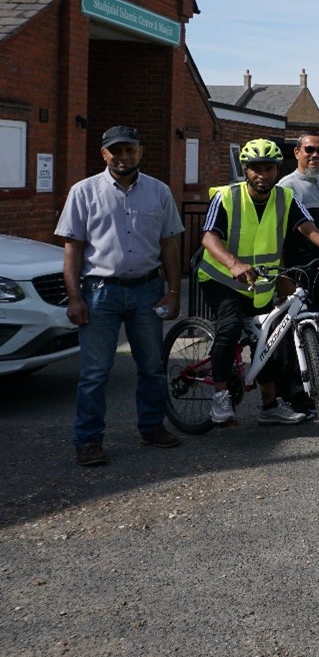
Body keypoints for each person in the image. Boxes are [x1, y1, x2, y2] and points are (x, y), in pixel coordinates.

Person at [198, 139, 319, 427]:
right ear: (246, 170)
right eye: (256, 169)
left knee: (266, 341)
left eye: (268, 168)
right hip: (221, 278)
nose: (262, 175)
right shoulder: (227, 196)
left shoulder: (285, 198)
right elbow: (208, 237)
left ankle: (269, 406)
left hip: (260, 282)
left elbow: (309, 228)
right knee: (230, 327)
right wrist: (233, 263)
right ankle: (220, 397)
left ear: (276, 169)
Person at [57, 125, 184, 466]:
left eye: (130, 150)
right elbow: (73, 250)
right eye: (117, 151)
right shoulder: (83, 192)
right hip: (99, 293)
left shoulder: (159, 192)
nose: (123, 156)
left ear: (140, 152)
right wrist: (74, 298)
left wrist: (173, 292)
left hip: (147, 292)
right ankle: (88, 441)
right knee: (95, 372)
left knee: (153, 368)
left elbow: (170, 245)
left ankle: (151, 427)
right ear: (104, 154)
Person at [277, 132, 319, 414]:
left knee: (318, 328)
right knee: (292, 336)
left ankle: (312, 385)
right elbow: (277, 236)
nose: (316, 155)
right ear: (297, 152)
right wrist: (282, 274)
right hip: (295, 271)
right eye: (310, 150)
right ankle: (290, 394)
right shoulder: (285, 187)